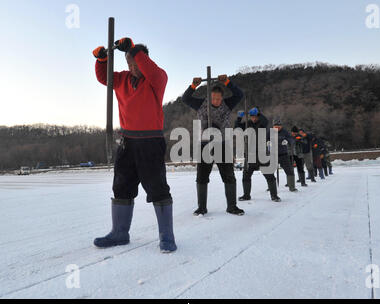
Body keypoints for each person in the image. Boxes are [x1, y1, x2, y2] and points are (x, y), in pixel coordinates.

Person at [92, 37, 177, 253]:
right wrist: (102, 59)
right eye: (129, 64)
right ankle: (120, 233)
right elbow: (104, 78)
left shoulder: (157, 79)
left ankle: (167, 236)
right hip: (128, 142)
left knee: (157, 188)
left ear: (145, 60)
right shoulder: (121, 79)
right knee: (121, 186)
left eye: (136, 63)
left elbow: (149, 68)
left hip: (150, 142)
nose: (133, 67)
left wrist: (133, 50)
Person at [182, 75, 245, 216]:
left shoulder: (227, 104)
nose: (215, 101)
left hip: (223, 144)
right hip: (205, 144)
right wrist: (193, 85)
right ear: (209, 97)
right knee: (202, 177)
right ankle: (201, 207)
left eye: (218, 98)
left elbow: (240, 94)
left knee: (229, 175)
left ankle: (232, 206)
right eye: (213, 98)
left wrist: (227, 82)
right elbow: (185, 99)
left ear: (222, 98)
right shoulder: (201, 104)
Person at [235, 107, 280, 202]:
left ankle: (274, 195)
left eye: (255, 116)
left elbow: (266, 121)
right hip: (250, 153)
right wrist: (239, 118)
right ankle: (246, 195)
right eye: (252, 117)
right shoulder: (248, 124)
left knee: (269, 174)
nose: (254, 118)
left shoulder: (262, 123)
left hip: (262, 152)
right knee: (246, 175)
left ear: (258, 116)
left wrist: (259, 113)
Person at [272, 117, 298, 192]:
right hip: (273, 154)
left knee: (289, 170)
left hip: (283, 154)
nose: (277, 128)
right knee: (269, 172)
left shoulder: (285, 132)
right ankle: (271, 186)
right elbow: (264, 140)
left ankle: (292, 187)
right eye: (275, 126)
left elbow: (292, 139)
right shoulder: (270, 132)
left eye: (278, 126)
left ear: (281, 126)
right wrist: (267, 142)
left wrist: (287, 141)